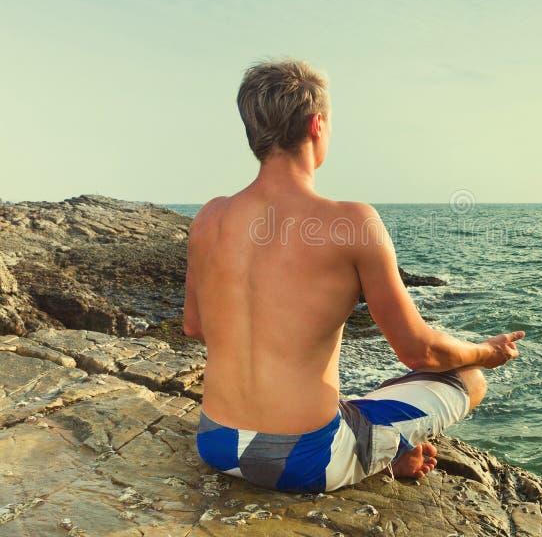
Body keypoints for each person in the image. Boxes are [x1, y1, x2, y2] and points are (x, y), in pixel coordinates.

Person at [184, 59, 523, 493]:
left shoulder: (209, 217)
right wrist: (484, 352)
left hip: (215, 442)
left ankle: (383, 451)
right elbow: (420, 353)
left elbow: (194, 326)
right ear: (317, 125)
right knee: (467, 379)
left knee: (354, 404)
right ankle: (380, 453)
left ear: (253, 134)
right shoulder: (352, 222)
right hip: (304, 462)